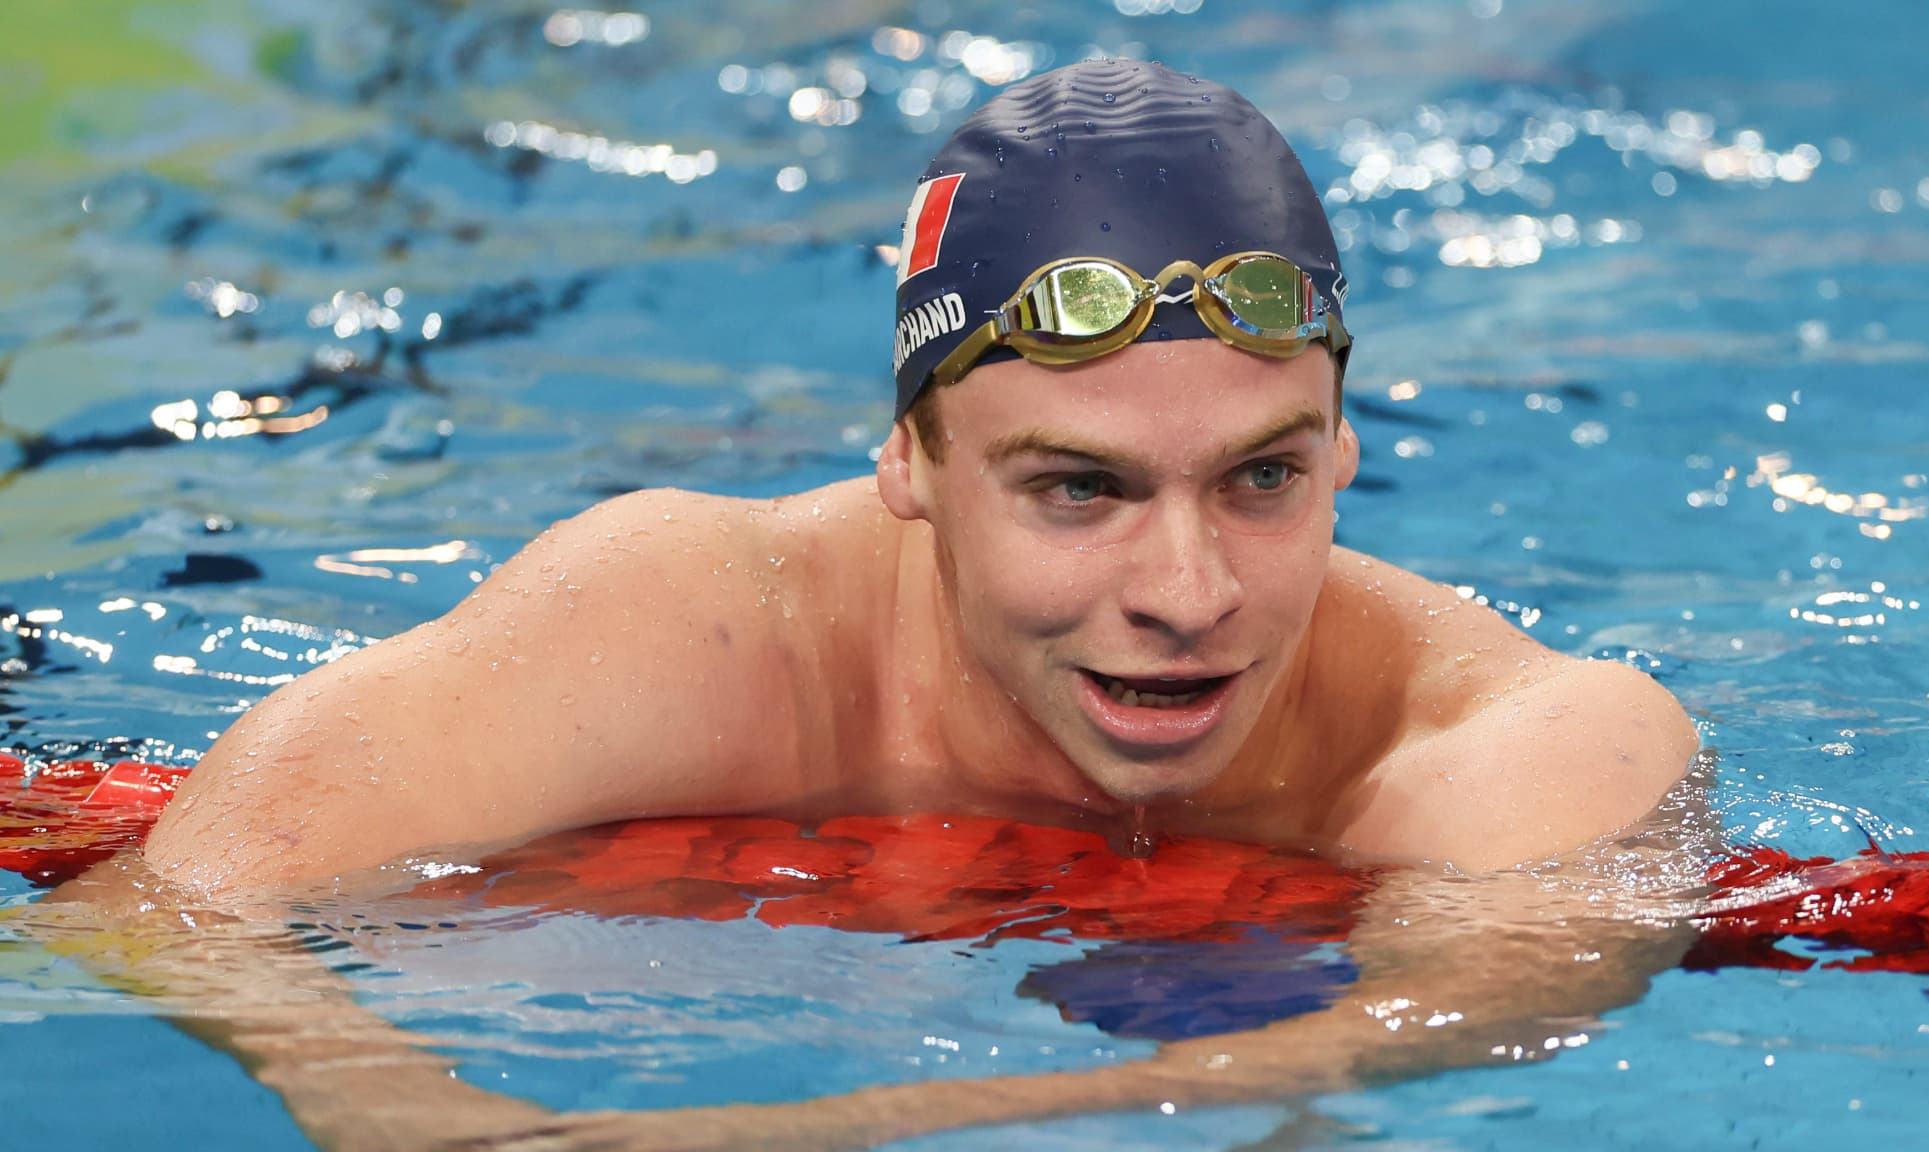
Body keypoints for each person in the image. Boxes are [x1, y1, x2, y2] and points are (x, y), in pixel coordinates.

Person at [34, 60, 1705, 1148]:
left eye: (1261, 479)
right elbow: (173, 901)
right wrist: (418, 1115)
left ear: (1344, 447)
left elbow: (1425, 1037)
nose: (1188, 597)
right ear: (909, 459)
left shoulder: (1527, 742)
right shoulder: (698, 619)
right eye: (1079, 489)